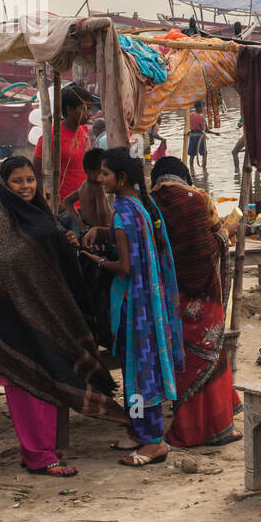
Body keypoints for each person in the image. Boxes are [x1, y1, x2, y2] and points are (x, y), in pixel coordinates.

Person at [0, 157, 126, 477]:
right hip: (13, 323)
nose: (25, 187)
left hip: (46, 317)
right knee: (28, 386)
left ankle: (43, 452)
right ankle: (39, 456)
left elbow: (53, 257)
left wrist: (66, 243)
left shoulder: (39, 213)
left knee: (50, 380)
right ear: (4, 184)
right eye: (17, 181)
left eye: (30, 180)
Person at [80, 147, 185, 467]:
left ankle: (154, 442)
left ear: (121, 178)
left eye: (106, 174)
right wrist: (102, 232)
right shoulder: (139, 206)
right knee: (139, 368)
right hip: (148, 302)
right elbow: (134, 244)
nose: (100, 179)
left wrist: (98, 260)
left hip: (133, 304)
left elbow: (124, 267)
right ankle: (140, 431)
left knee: (139, 373)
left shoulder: (122, 212)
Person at [150, 157, 243, 448]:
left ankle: (190, 424)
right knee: (210, 355)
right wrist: (229, 231)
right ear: (184, 177)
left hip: (167, 295)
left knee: (185, 358)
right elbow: (215, 238)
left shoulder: (147, 202)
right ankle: (211, 428)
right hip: (203, 293)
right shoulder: (199, 198)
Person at [34, 85, 95, 202]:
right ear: (69, 109)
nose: (90, 113)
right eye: (84, 108)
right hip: (63, 207)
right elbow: (37, 173)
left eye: (90, 108)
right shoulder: (51, 137)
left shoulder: (84, 130)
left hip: (86, 202)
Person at [62, 148, 114, 235]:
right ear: (89, 171)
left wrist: (80, 223)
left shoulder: (83, 186)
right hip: (100, 233)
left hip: (89, 231)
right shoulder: (98, 189)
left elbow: (67, 201)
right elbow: (102, 214)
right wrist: (106, 229)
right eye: (101, 172)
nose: (103, 176)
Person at [187, 102, 207, 176]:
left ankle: (192, 170)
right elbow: (205, 129)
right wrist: (215, 133)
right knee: (204, 154)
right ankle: (204, 170)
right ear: (198, 108)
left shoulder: (190, 115)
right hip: (199, 137)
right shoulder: (201, 117)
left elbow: (187, 125)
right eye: (202, 107)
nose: (202, 109)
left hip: (192, 136)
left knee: (192, 155)